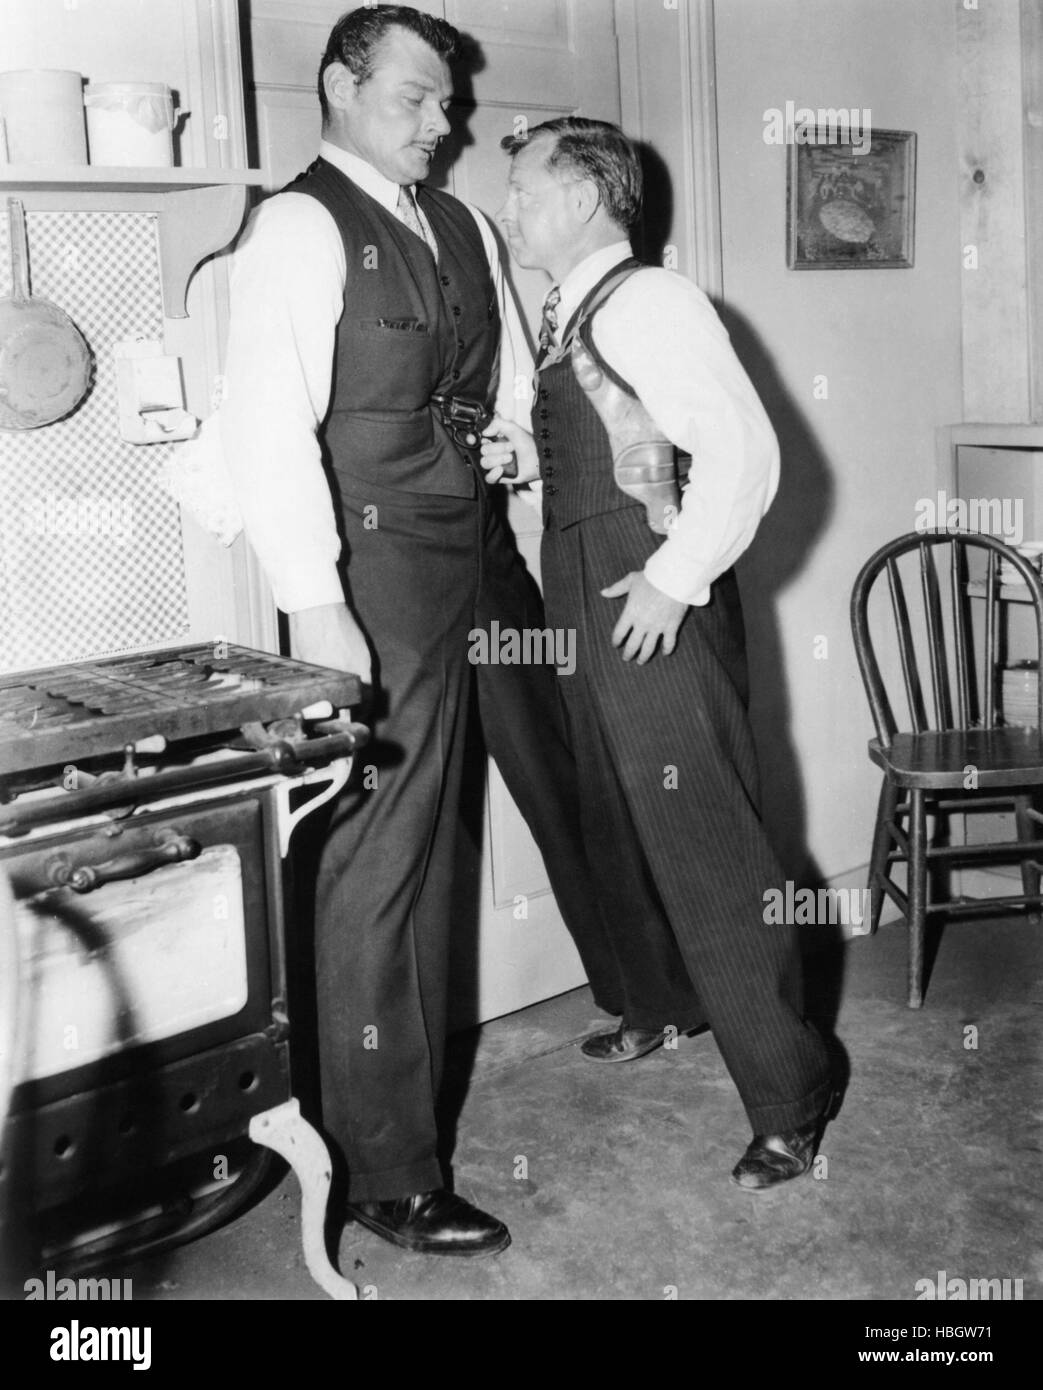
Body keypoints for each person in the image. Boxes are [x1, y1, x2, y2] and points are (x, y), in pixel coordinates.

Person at [207, 10, 629, 1255]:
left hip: (475, 552)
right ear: (338, 86)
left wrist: (505, 436)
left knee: (505, 804)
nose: (441, 125)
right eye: (413, 97)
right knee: (383, 861)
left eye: (446, 104)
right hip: (371, 569)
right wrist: (319, 601)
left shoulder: (461, 224)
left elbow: (500, 368)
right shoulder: (295, 226)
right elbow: (266, 431)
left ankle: (634, 999)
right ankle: (387, 1173)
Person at [481, 117, 835, 1190]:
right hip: (586, 581)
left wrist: (675, 582)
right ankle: (660, 1003)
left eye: (525, 190)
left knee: (703, 838)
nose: (512, 209)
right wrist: (526, 457)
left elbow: (742, 451)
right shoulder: (569, 315)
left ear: (584, 199)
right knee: (610, 814)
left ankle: (790, 1092)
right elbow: (627, 437)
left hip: (646, 589)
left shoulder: (650, 300)